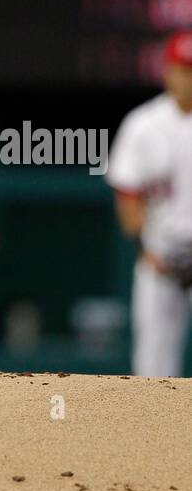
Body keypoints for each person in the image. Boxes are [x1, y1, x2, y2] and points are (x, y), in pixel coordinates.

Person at [105, 32, 192, 376]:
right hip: (161, 258)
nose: (188, 78)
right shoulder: (143, 125)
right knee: (153, 368)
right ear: (168, 71)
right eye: (183, 69)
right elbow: (127, 194)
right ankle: (151, 432)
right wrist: (146, 248)